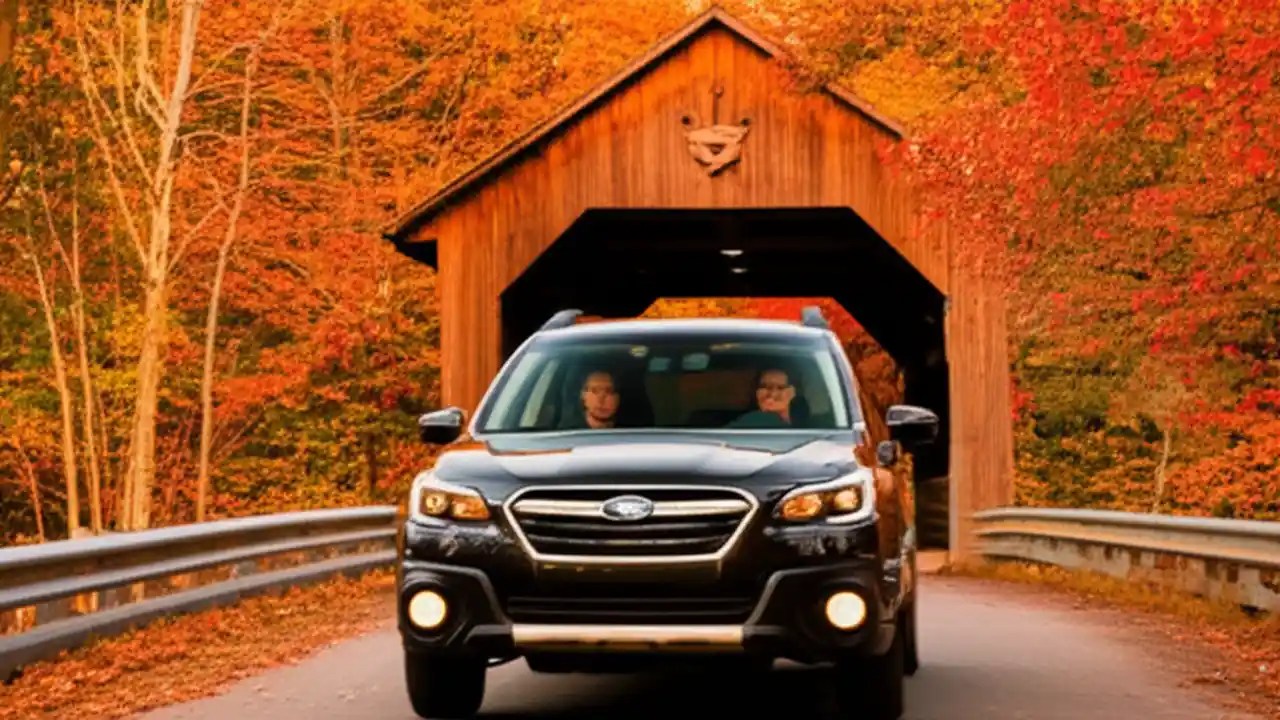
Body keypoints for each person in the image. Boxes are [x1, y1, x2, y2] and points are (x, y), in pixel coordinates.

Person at [727, 367, 797, 428]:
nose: (772, 394)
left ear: (792, 392)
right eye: (764, 386)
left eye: (780, 387)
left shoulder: (804, 423)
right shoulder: (754, 420)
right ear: (757, 392)